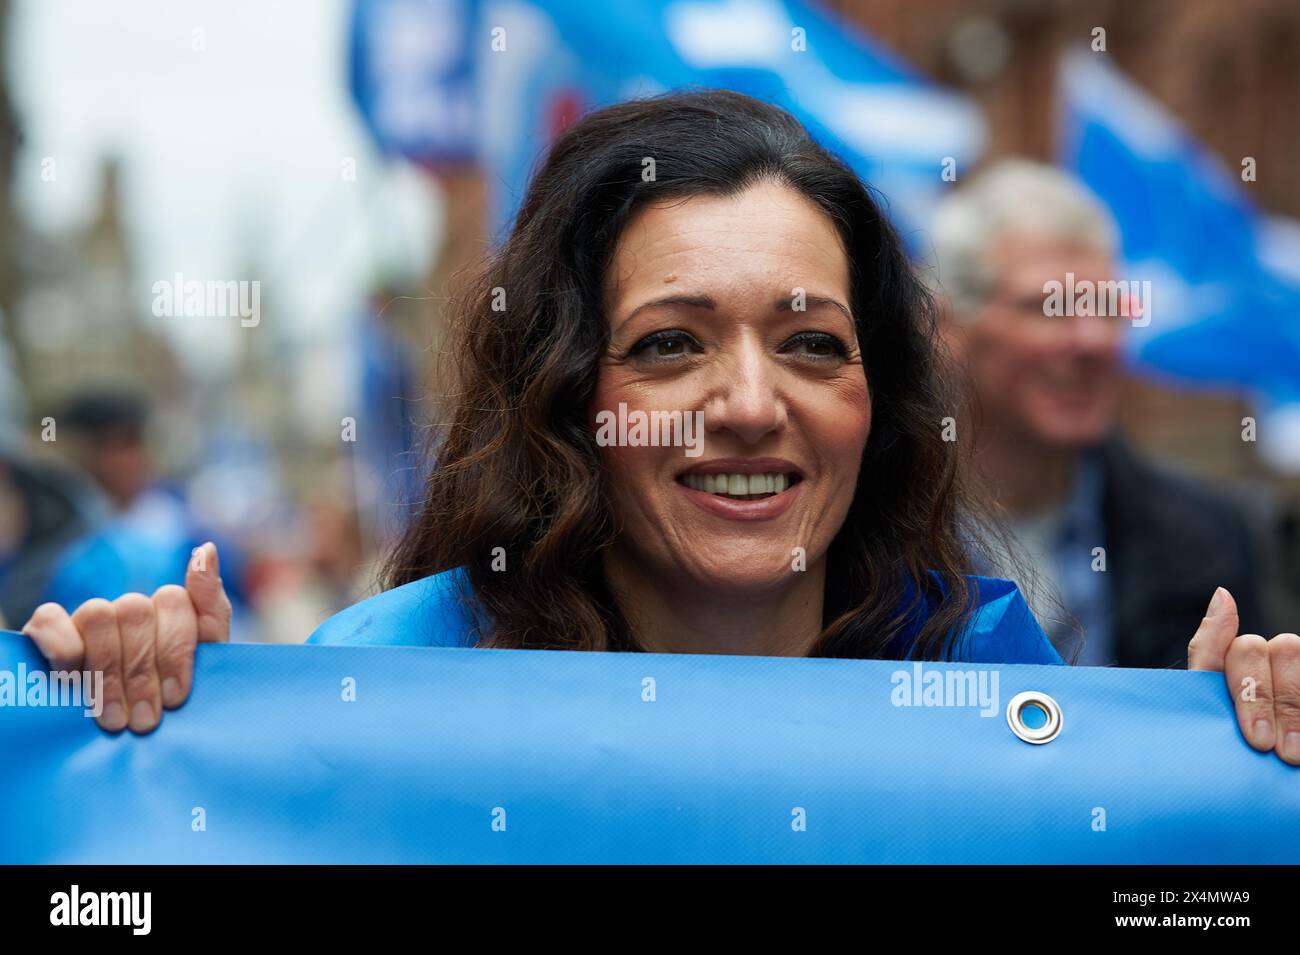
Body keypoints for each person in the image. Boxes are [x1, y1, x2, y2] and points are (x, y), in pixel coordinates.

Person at [19, 91, 1300, 766]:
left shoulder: (995, 675)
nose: (750, 406)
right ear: (571, 396)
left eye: (810, 344)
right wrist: (167, 740)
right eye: (670, 344)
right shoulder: (388, 678)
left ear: (879, 400)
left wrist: (1200, 793)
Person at [929, 160, 1268, 668]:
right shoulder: (858, 533)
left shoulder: (1207, 538)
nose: (1091, 340)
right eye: (1048, 307)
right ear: (948, 328)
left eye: (1106, 307)